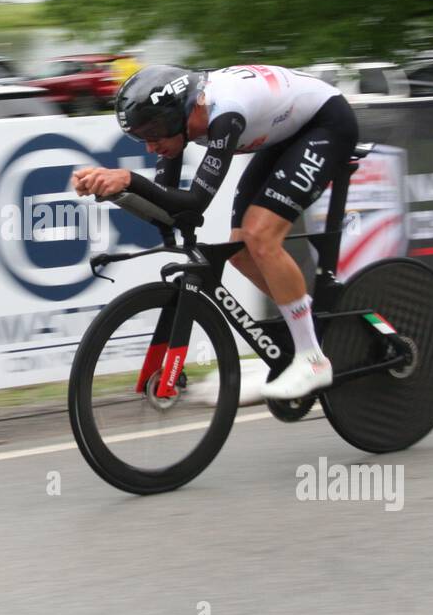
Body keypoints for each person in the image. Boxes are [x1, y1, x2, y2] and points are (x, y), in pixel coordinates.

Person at [71, 63, 359, 401]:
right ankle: (311, 331)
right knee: (239, 252)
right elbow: (168, 210)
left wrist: (129, 180)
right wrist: (112, 191)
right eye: (142, 138)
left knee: (261, 238)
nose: (150, 147)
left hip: (327, 124)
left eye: (153, 134)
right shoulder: (183, 119)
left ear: (176, 116)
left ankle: (311, 358)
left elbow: (193, 203)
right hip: (287, 133)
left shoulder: (225, 114)